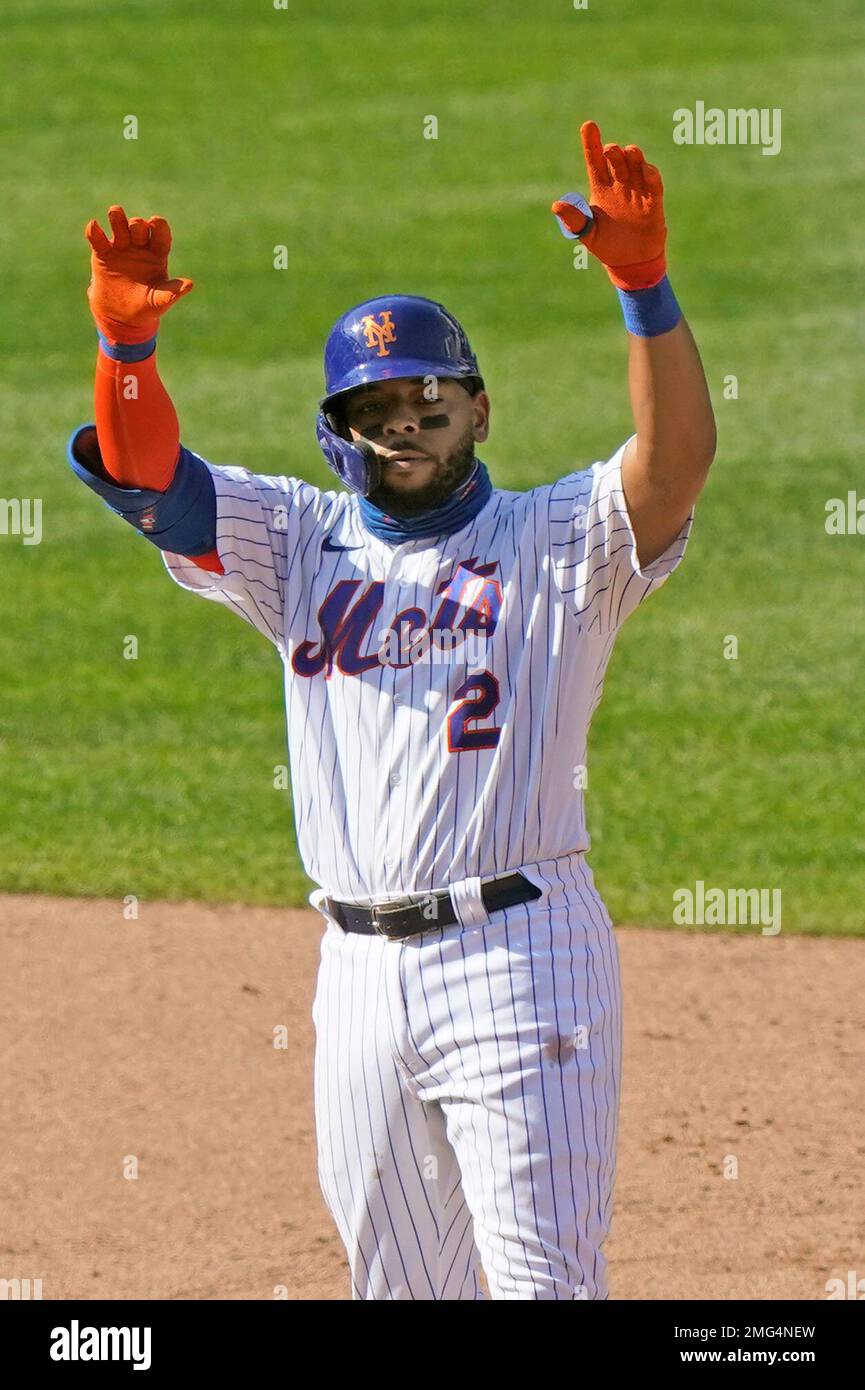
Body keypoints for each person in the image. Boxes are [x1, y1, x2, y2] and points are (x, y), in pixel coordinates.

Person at [68, 120, 716, 1299]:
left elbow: (673, 466)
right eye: (376, 408)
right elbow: (153, 476)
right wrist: (125, 350)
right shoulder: (297, 540)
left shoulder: (558, 538)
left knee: (542, 1287)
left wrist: (642, 288)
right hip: (358, 973)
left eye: (431, 400)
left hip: (523, 955)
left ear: (479, 412)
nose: (406, 422)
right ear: (340, 433)